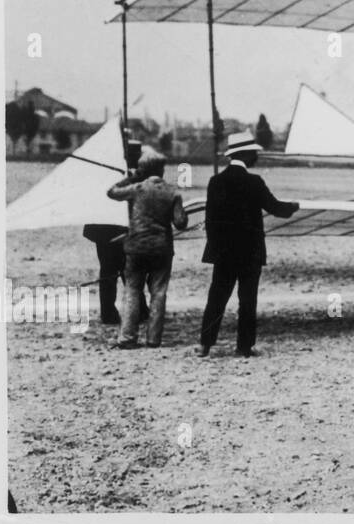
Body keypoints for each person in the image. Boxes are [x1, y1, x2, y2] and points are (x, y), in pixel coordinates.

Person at [195, 131, 299, 358]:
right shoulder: (254, 182)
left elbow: (210, 221)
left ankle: (205, 344)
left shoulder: (216, 182)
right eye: (254, 153)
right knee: (248, 300)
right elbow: (276, 208)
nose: (257, 157)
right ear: (246, 154)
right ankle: (243, 347)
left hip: (223, 253)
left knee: (217, 298)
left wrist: (216, 248)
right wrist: (294, 206)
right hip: (250, 252)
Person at [105, 147, 188, 349]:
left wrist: (131, 177)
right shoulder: (173, 192)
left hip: (136, 248)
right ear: (161, 170)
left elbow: (111, 192)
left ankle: (127, 338)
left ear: (143, 169)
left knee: (132, 291)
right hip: (162, 249)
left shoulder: (138, 188)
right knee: (159, 293)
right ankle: (154, 339)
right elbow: (180, 223)